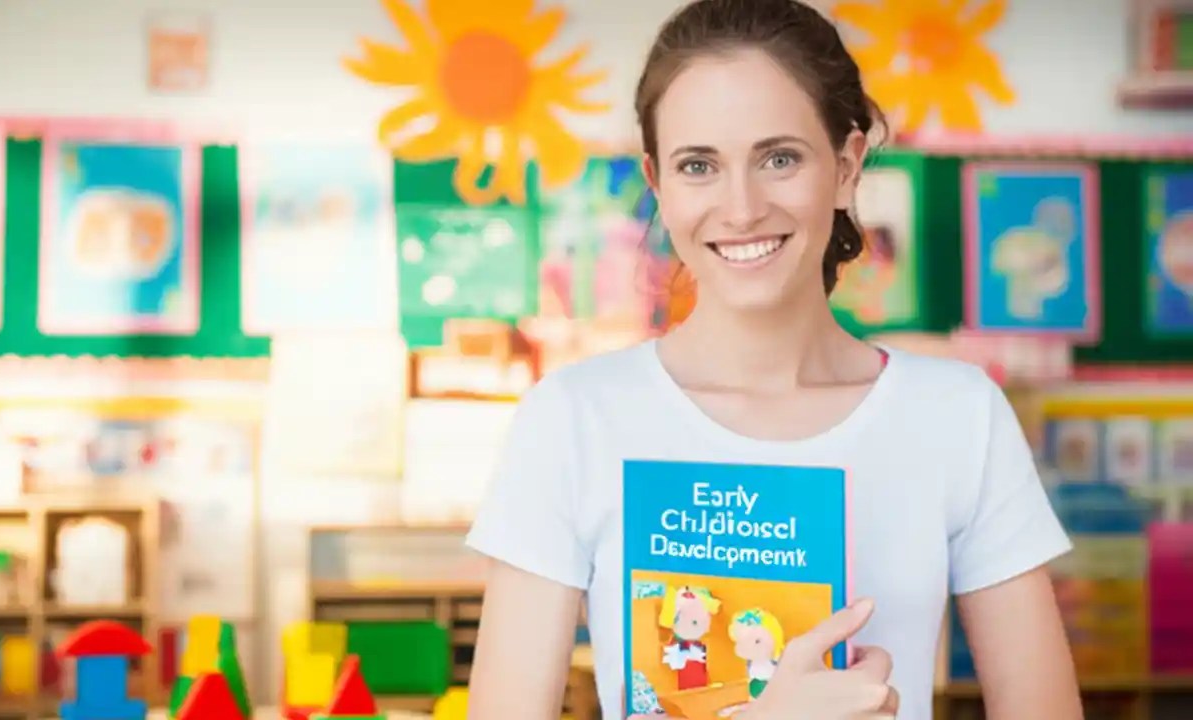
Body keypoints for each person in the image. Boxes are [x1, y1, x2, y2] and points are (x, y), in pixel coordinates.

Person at [464, 1, 1083, 718]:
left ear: (846, 167)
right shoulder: (573, 419)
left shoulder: (958, 416)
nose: (741, 208)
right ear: (658, 184)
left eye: (779, 158)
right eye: (699, 166)